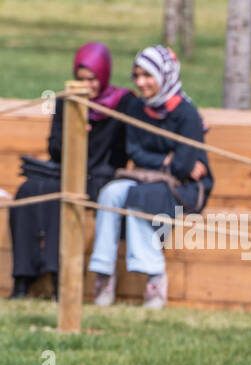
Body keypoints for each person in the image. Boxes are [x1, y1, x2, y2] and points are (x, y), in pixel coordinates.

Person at [88, 45, 212, 309]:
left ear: (164, 75)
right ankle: (103, 273)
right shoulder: (137, 108)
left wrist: (172, 163)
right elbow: (135, 151)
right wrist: (167, 160)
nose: (141, 83)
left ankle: (154, 279)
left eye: (148, 76)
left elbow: (183, 168)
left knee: (140, 197)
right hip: (147, 177)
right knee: (111, 192)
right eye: (137, 76)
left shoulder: (185, 113)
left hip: (185, 188)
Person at [8, 42, 135, 299]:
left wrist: (90, 136)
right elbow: (54, 147)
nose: (87, 85)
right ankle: (22, 279)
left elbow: (124, 151)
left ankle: (58, 279)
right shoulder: (66, 100)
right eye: (81, 79)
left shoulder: (123, 103)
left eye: (93, 79)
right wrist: (74, 133)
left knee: (60, 196)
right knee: (27, 191)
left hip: (100, 177)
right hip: (64, 172)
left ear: (104, 74)